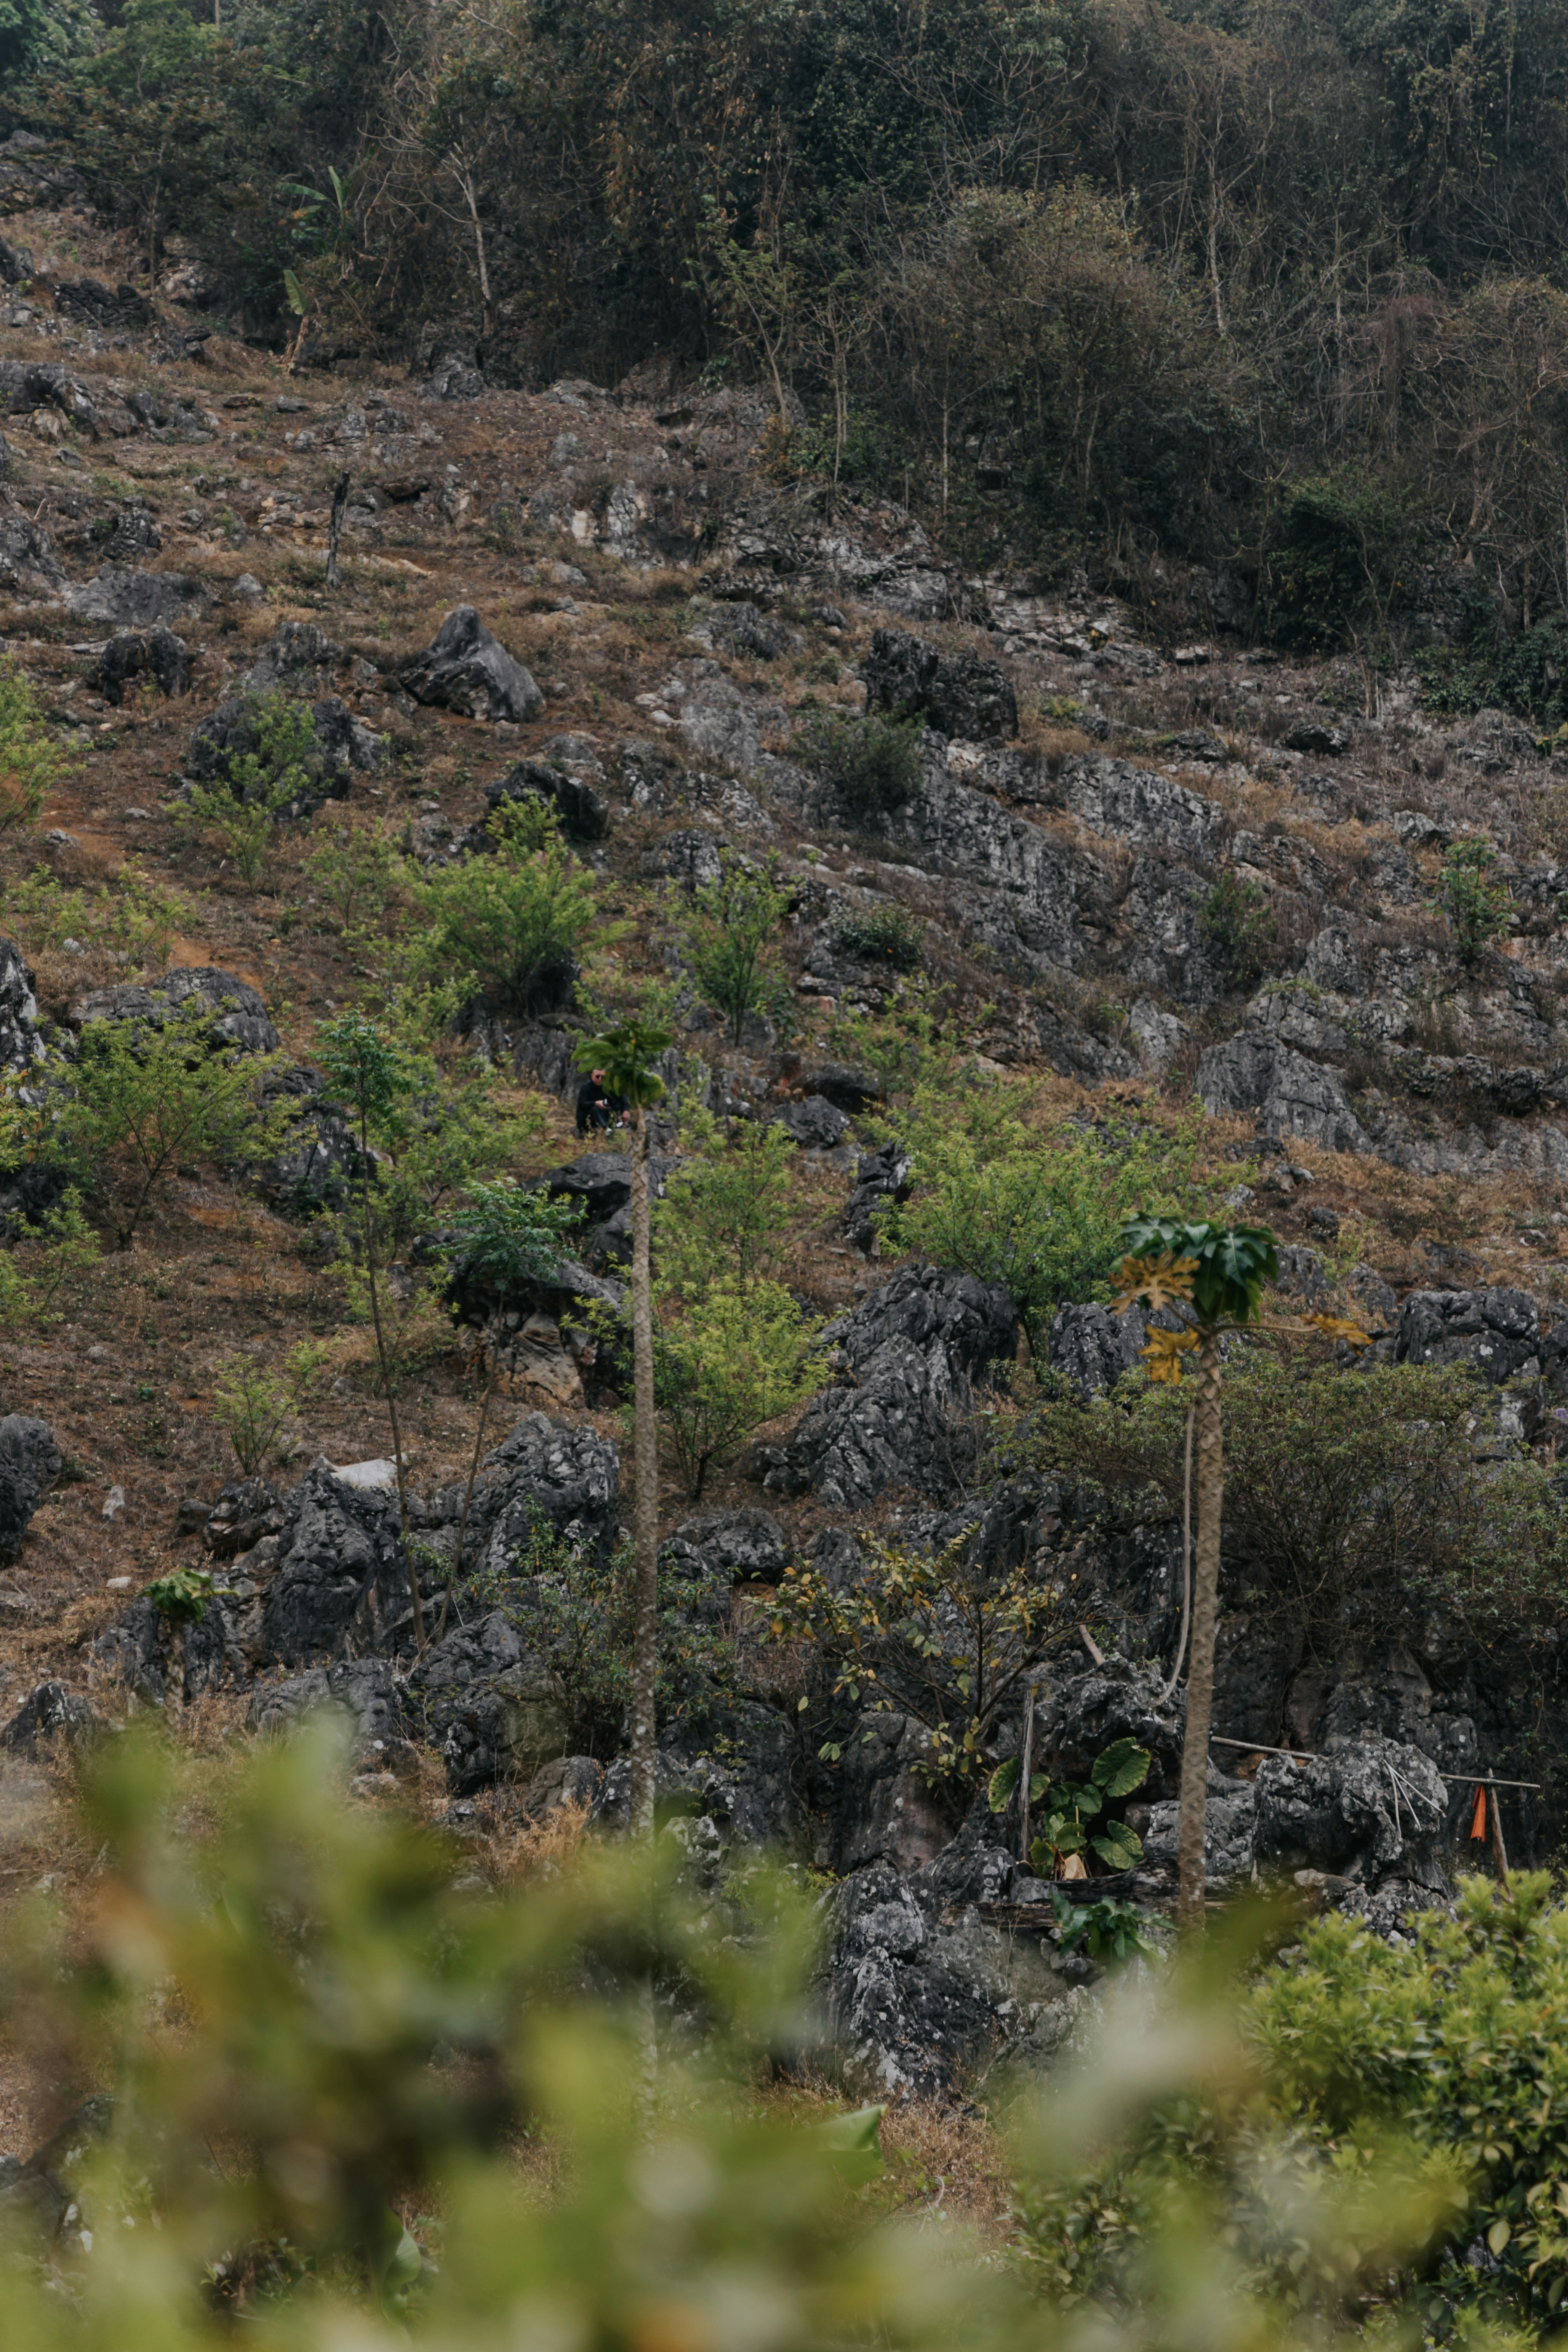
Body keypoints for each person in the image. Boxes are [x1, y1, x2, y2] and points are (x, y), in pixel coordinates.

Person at [575, 1067, 625, 1138]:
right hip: (586, 1119)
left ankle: (615, 1125)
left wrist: (626, 1110)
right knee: (595, 1109)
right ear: (592, 1076)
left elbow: (621, 1097)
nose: (600, 1079)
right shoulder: (585, 1088)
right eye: (598, 1076)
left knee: (615, 1106)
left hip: (602, 1114)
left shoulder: (606, 1087)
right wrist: (595, 1103)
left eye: (603, 1077)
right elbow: (582, 1104)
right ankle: (606, 1128)